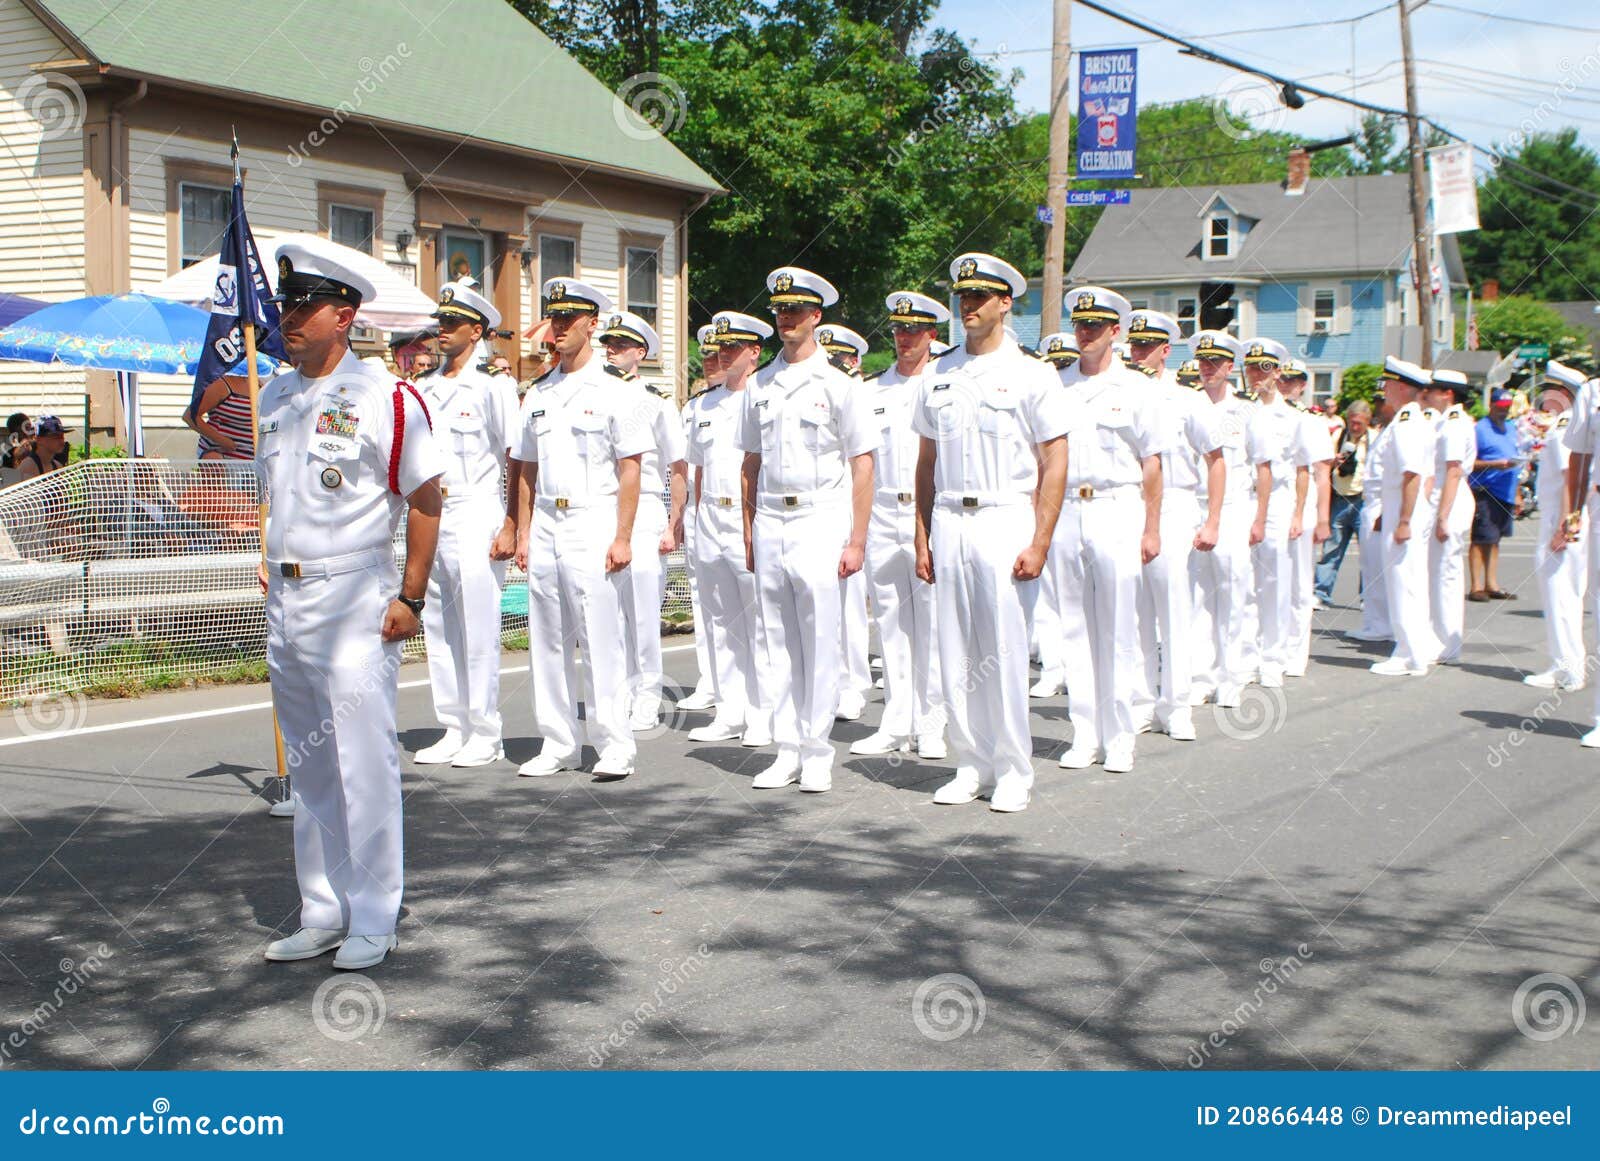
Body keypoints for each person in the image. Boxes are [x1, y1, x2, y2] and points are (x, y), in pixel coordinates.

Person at [257, 239, 443, 971]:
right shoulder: (274, 393)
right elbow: (275, 494)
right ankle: (323, 907)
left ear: (345, 315)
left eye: (304, 307)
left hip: (355, 594)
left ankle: (374, 911)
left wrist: (412, 595)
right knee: (310, 767)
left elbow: (427, 499)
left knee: (362, 761)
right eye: (285, 306)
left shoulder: (386, 396)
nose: (289, 319)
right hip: (288, 593)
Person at [913, 253, 1068, 811]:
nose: (968, 306)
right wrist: (921, 534)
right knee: (953, 649)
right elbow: (926, 461)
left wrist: (1041, 540)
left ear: (1006, 302)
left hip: (1006, 517)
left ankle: (1012, 768)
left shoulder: (1032, 373)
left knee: (1002, 651)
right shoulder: (940, 372)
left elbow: (1054, 458)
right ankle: (970, 762)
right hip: (951, 517)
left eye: (980, 297)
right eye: (962, 296)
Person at [503, 278, 650, 779]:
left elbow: (631, 467)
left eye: (570, 319)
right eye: (555, 318)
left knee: (600, 636)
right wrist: (522, 531)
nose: (560, 327)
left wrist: (624, 535)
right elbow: (524, 467)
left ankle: (614, 744)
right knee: (546, 636)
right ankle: (559, 741)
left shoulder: (615, 391)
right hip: (547, 519)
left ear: (593, 324)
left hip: (594, 517)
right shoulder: (538, 392)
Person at [739, 265, 874, 793]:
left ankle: (817, 750)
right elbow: (750, 462)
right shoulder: (760, 384)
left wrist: (856, 538)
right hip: (771, 515)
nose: (786, 318)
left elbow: (863, 464)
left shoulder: (838, 384)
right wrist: (748, 528)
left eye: (795, 310)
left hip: (820, 515)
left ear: (816, 316)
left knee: (819, 636)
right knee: (775, 639)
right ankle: (786, 747)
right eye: (779, 310)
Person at [1052, 286, 1166, 774]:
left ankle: (1119, 736)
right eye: (1079, 325)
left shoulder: (1137, 388)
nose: (1085, 333)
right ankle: (1085, 733)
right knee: (1073, 627)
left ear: (1116, 332)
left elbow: (1153, 464)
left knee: (1118, 626)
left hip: (1117, 505)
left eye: (1095, 326)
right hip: (1065, 511)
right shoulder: (1055, 384)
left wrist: (1151, 528)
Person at [411, 282, 518, 768]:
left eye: (453, 323)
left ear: (477, 330)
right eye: (441, 321)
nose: (443, 330)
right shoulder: (424, 387)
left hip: (476, 508)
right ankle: (454, 724)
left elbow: (515, 458)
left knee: (477, 625)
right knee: (438, 622)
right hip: (434, 510)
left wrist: (513, 523)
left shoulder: (493, 386)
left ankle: (486, 730)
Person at [851, 291, 949, 760]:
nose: (904, 338)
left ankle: (931, 723)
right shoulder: (872, 390)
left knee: (930, 622)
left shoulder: (946, 382)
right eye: (898, 330)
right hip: (884, 512)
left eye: (914, 330)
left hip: (928, 513)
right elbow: (861, 463)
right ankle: (896, 720)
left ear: (932, 334)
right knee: (889, 621)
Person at [1124, 310, 1223, 740]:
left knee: (1172, 607)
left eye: (1148, 345)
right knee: (1134, 610)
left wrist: (1213, 520)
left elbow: (1216, 460)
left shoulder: (1188, 398)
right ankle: (1142, 700)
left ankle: (1176, 703)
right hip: (1126, 502)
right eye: (1134, 345)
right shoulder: (1121, 390)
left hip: (1176, 504)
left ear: (1166, 350)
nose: (1139, 353)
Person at [684, 312, 774, 747]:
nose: (723, 354)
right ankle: (729, 709)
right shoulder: (703, 403)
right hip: (710, 518)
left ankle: (763, 713)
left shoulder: (765, 396)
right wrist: (698, 520)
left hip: (751, 516)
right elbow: (698, 471)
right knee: (720, 620)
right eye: (721, 347)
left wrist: (754, 525)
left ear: (754, 352)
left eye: (733, 347)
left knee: (757, 621)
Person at [597, 310, 688, 731]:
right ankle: (617, 695)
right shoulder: (593, 392)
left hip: (647, 506)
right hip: (605, 507)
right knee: (608, 611)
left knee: (644, 610)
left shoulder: (655, 400)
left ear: (641, 353)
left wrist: (672, 523)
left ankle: (647, 696)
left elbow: (677, 466)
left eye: (621, 345)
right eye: (609, 343)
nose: (612, 350)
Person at [1186, 331, 1254, 708]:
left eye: (1216, 363)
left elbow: (1260, 466)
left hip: (1230, 509)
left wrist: (1257, 518)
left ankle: (1231, 676)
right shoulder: (1188, 403)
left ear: (1230, 367)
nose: (1207, 369)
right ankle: (1200, 676)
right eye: (1203, 361)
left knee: (1231, 592)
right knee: (1196, 595)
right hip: (1192, 505)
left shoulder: (1245, 411)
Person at [817, 322, 873, 720]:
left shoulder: (863, 393)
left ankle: (854, 682)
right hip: (829, 507)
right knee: (823, 607)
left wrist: (859, 532)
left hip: (864, 507)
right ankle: (829, 681)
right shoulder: (826, 392)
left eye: (838, 357)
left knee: (851, 605)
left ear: (853, 360)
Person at [1370, 357, 1439, 677]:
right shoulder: (1413, 420)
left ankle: (1408, 653)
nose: (1384, 391)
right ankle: (1415, 649)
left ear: (1399, 386)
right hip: (1405, 507)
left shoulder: (1406, 424)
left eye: (1387, 385)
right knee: (1409, 579)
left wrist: (1404, 520)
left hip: (1404, 509)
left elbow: (1412, 475)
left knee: (1403, 581)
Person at [1243, 339, 1304, 689]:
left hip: (1278, 500)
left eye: (1263, 368)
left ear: (1277, 372)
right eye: (1251, 368)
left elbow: (1300, 470)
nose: (1255, 375)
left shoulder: (1292, 418)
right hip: (1244, 496)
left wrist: (1297, 514)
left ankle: (1273, 657)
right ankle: (1247, 654)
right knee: (1243, 581)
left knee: (1274, 580)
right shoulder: (1240, 411)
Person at [1530, 362, 1587, 691]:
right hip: (1562, 516)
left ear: (1563, 394)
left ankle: (1569, 669)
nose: (1544, 400)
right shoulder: (1570, 423)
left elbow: (1571, 476)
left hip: (1561, 517)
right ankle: (1561, 663)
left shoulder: (1567, 424)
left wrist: (1566, 525)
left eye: (1549, 392)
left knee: (1562, 594)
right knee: (1560, 595)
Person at [678, 323, 725, 713]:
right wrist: (681, 515)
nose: (710, 363)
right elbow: (687, 468)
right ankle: (710, 680)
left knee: (744, 607)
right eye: (705, 356)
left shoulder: (749, 399)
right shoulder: (694, 407)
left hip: (734, 510)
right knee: (702, 601)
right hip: (700, 509)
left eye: (716, 355)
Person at [1277, 359, 1332, 679]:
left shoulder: (1310, 422)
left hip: (1303, 508)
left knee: (1298, 585)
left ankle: (1295, 652)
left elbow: (1322, 474)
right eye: (1281, 378)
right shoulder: (1262, 413)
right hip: (1270, 506)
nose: (1285, 384)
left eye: (1292, 380)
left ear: (1302, 385)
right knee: (1269, 584)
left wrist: (1323, 518)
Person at [1422, 369, 1476, 663]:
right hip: (1444, 497)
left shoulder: (1454, 424)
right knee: (1439, 572)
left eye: (1434, 389)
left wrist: (1442, 516)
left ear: (1448, 394)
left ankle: (1446, 643)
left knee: (1446, 575)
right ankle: (1438, 637)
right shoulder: (1444, 421)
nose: (1427, 394)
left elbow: (1453, 470)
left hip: (1450, 501)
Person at [1314, 399, 1371, 605]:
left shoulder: (1374, 439)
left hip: (1363, 499)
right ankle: (1321, 593)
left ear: (1368, 421)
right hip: (1340, 498)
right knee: (1332, 549)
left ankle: (1368, 596)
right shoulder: (1339, 436)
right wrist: (1334, 462)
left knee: (1368, 553)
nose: (1355, 427)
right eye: (1352, 422)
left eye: (1360, 424)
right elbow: (1323, 466)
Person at [1467, 387, 1522, 601]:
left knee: (1496, 538)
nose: (1504, 412)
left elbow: (1515, 460)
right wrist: (1494, 464)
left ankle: (1492, 583)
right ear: (1491, 405)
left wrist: (1517, 493)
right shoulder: (1479, 429)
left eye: (1507, 408)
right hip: (1485, 490)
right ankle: (1476, 586)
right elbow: (1469, 463)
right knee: (1481, 537)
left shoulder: (1511, 427)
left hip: (1506, 490)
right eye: (1500, 407)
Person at [17, 415, 70, 481]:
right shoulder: (29, 466)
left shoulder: (58, 466)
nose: (61, 441)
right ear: (39, 439)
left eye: (62, 436)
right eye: (55, 437)